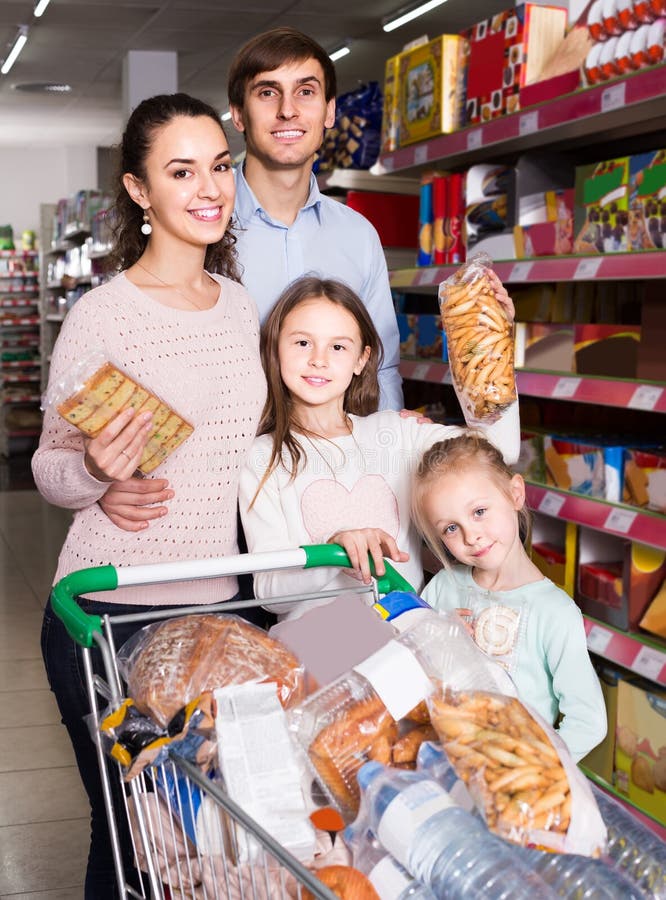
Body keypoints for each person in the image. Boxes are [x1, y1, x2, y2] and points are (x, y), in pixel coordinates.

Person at [32, 93, 266, 898]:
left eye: (221, 167)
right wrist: (96, 475)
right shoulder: (103, 316)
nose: (209, 188)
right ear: (139, 191)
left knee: (212, 840)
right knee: (135, 833)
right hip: (106, 619)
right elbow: (49, 468)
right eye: (181, 171)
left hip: (221, 617)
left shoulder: (238, 303)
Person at [238, 275, 520, 618]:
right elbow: (270, 594)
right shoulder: (260, 456)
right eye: (302, 343)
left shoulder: (396, 433)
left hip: (406, 642)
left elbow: (499, 451)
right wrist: (335, 551)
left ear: (361, 359)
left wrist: (495, 343)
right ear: (274, 349)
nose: (319, 360)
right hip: (319, 655)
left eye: (338, 347)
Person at [227, 26, 404, 410]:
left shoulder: (357, 235)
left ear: (330, 111)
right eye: (267, 92)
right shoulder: (205, 229)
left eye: (305, 92)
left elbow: (382, 366)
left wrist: (386, 450)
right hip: (230, 463)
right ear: (238, 115)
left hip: (338, 464)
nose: (287, 110)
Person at [411, 432, 607, 762]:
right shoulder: (444, 587)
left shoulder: (555, 613)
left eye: (479, 511)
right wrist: (437, 637)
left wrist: (529, 765)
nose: (471, 536)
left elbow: (588, 723)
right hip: (441, 764)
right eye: (450, 528)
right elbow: (410, 671)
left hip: (511, 778)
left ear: (515, 493)